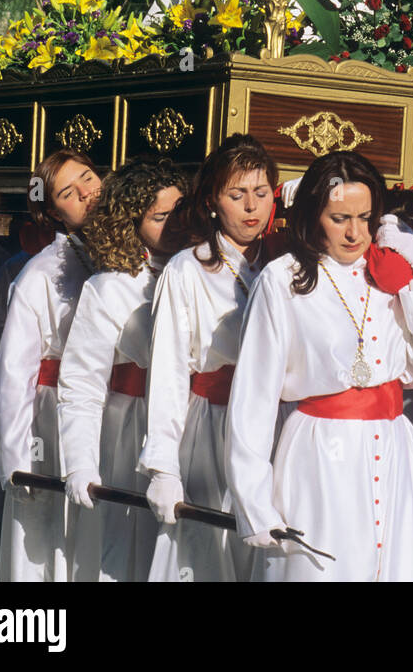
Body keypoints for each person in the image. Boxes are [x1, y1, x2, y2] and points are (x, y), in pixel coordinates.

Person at [225, 150, 413, 583]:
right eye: (339, 219)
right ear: (314, 215)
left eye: (366, 218)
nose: (356, 233)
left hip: (394, 448)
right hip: (320, 453)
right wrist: (253, 501)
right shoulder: (282, 280)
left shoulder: (391, 274)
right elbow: (253, 398)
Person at [138, 134, 279, 581]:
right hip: (213, 426)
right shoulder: (189, 267)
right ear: (213, 202)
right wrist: (163, 465)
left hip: (275, 424)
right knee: (208, 553)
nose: (251, 207)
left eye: (261, 193)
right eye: (237, 196)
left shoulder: (285, 264)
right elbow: (169, 370)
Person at [57, 157, 189, 582]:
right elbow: (81, 382)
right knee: (128, 548)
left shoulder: (202, 272)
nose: (174, 226)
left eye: (179, 213)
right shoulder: (110, 287)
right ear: (131, 221)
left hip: (196, 425)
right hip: (131, 432)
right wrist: (79, 462)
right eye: (159, 217)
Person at [0, 149, 101, 581]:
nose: (87, 194)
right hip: (52, 418)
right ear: (53, 212)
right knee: (50, 538)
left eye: (89, 178)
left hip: (109, 412)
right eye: (68, 193)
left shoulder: (125, 257)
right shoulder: (40, 274)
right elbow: (13, 375)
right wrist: (18, 462)